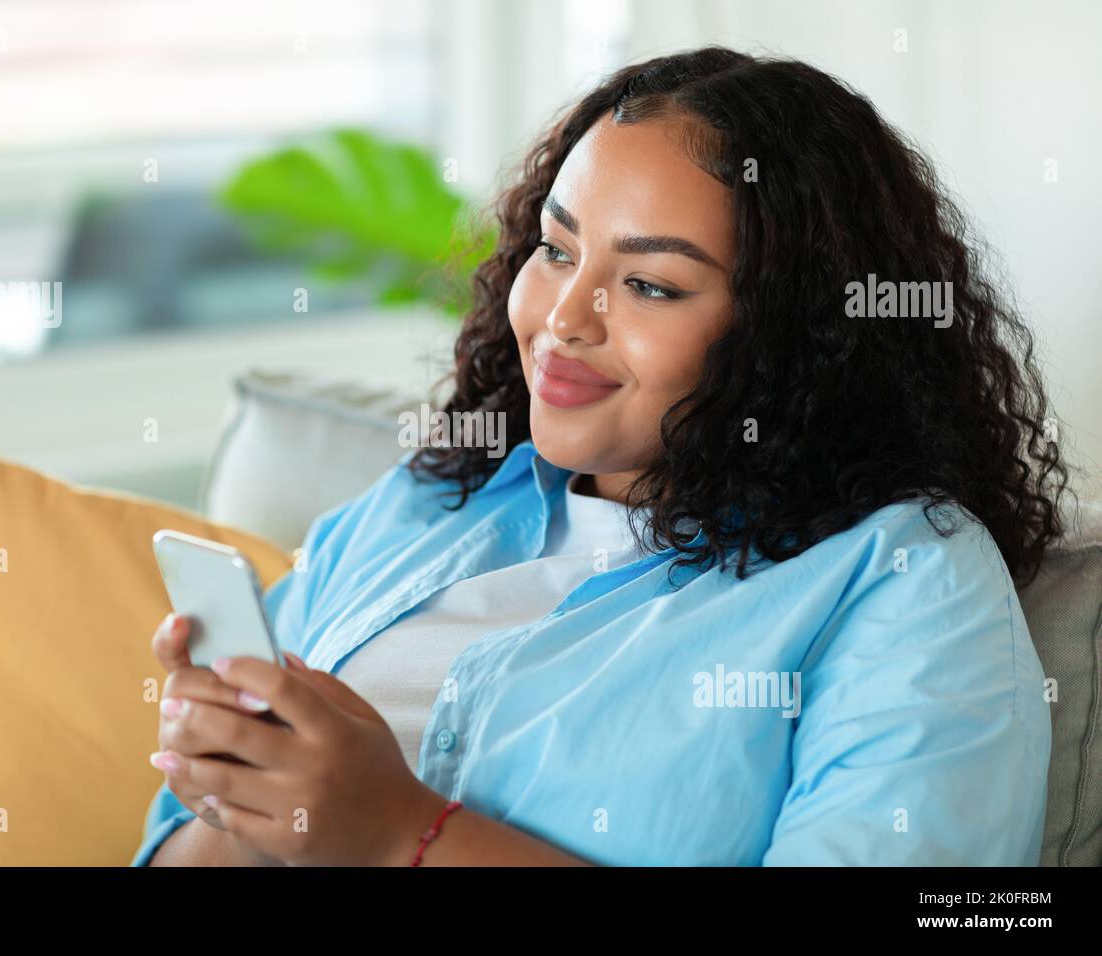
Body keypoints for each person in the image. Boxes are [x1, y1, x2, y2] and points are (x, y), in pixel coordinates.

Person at [132, 46, 1070, 866]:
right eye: (554, 249)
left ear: (799, 335)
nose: (562, 321)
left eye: (652, 285)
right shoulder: (429, 500)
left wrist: (396, 836)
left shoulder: (903, 580)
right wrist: (249, 796)